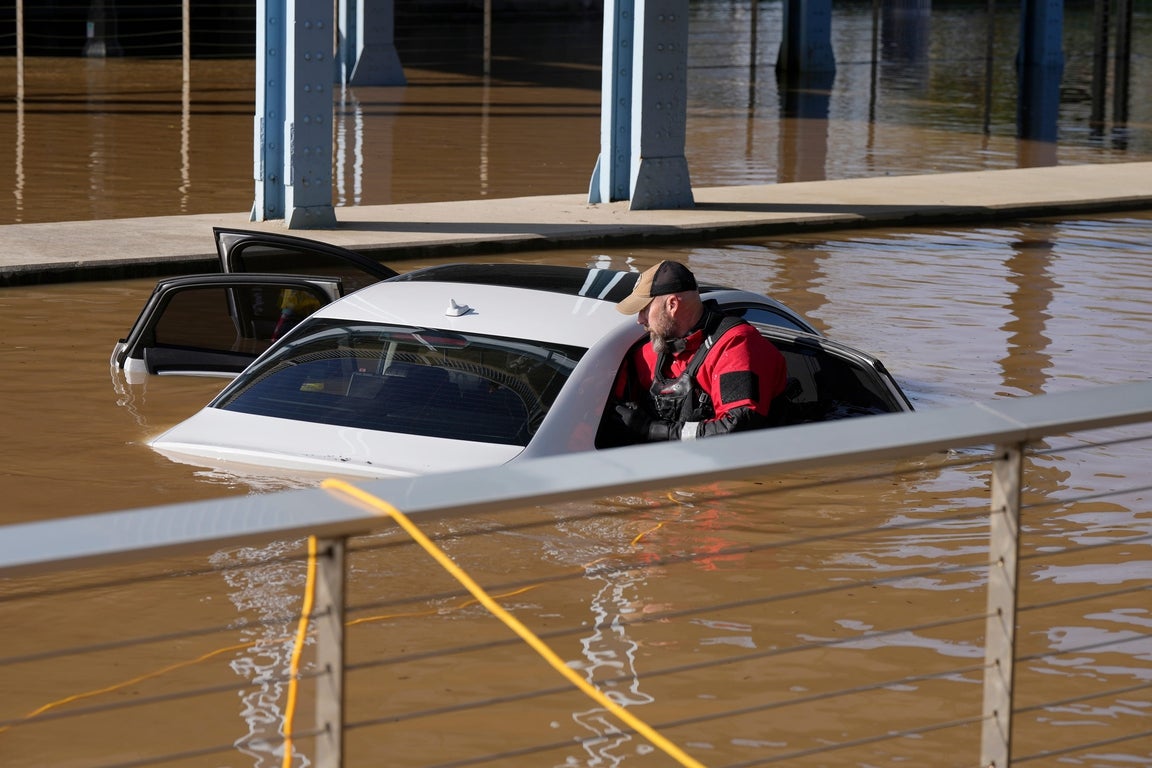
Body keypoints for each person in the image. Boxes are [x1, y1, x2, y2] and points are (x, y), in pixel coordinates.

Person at [606, 260, 788, 444]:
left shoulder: (736, 345)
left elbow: (738, 427)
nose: (639, 320)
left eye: (644, 310)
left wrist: (654, 429)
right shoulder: (647, 352)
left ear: (672, 305)